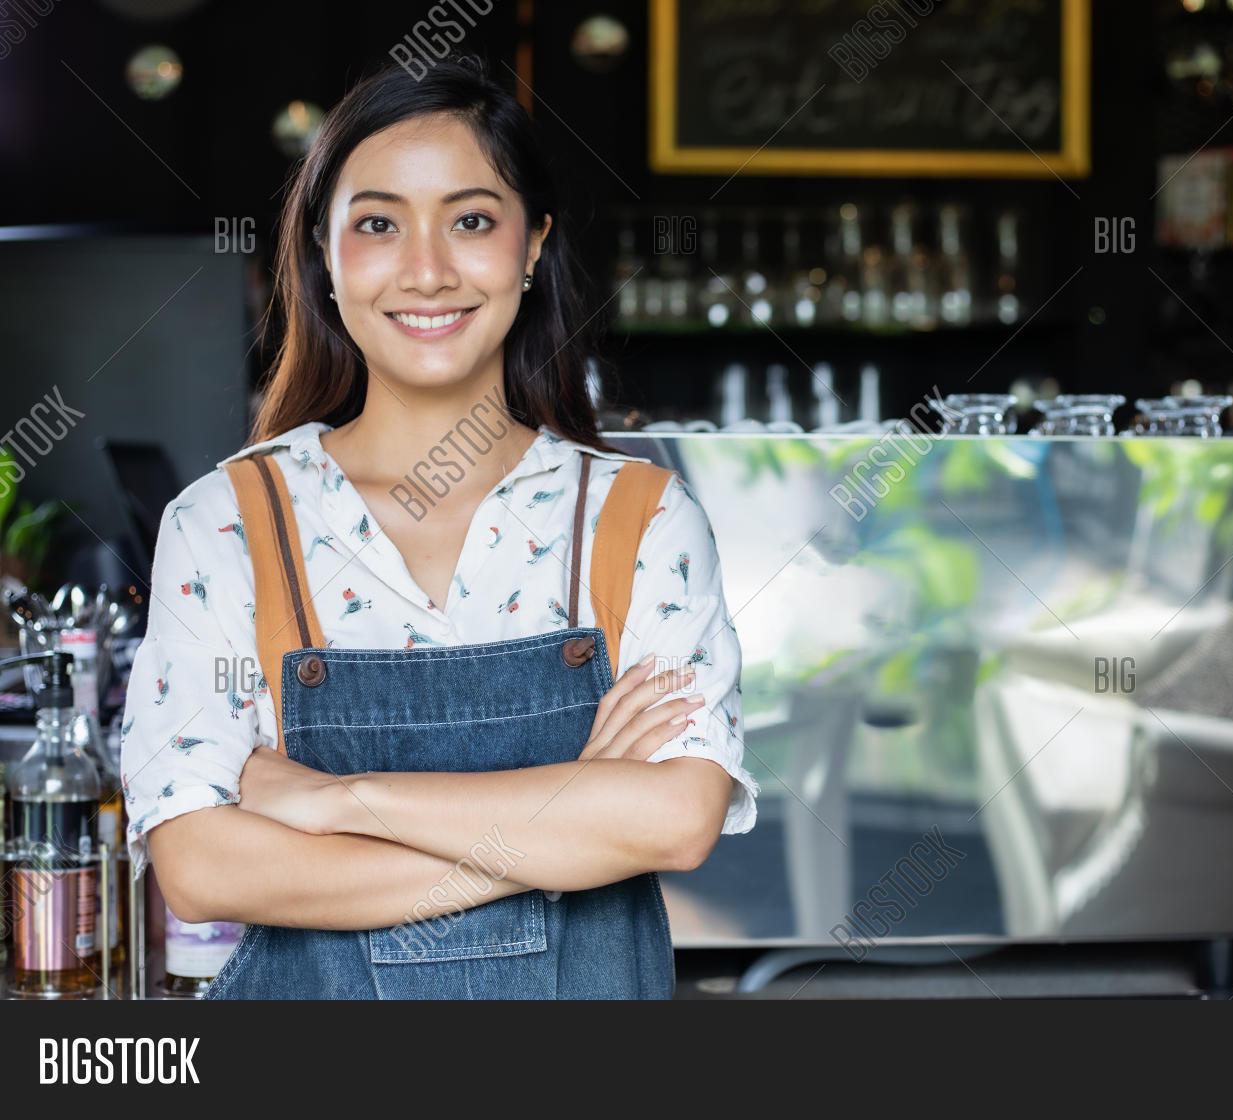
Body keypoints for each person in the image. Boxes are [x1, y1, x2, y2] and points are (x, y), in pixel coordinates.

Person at [118, 55, 757, 999]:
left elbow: (674, 821)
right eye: (378, 223)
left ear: (532, 247)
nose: (427, 269)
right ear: (324, 253)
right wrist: (562, 828)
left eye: (471, 220)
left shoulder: (638, 522)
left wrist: (339, 800)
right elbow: (204, 866)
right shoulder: (227, 527)